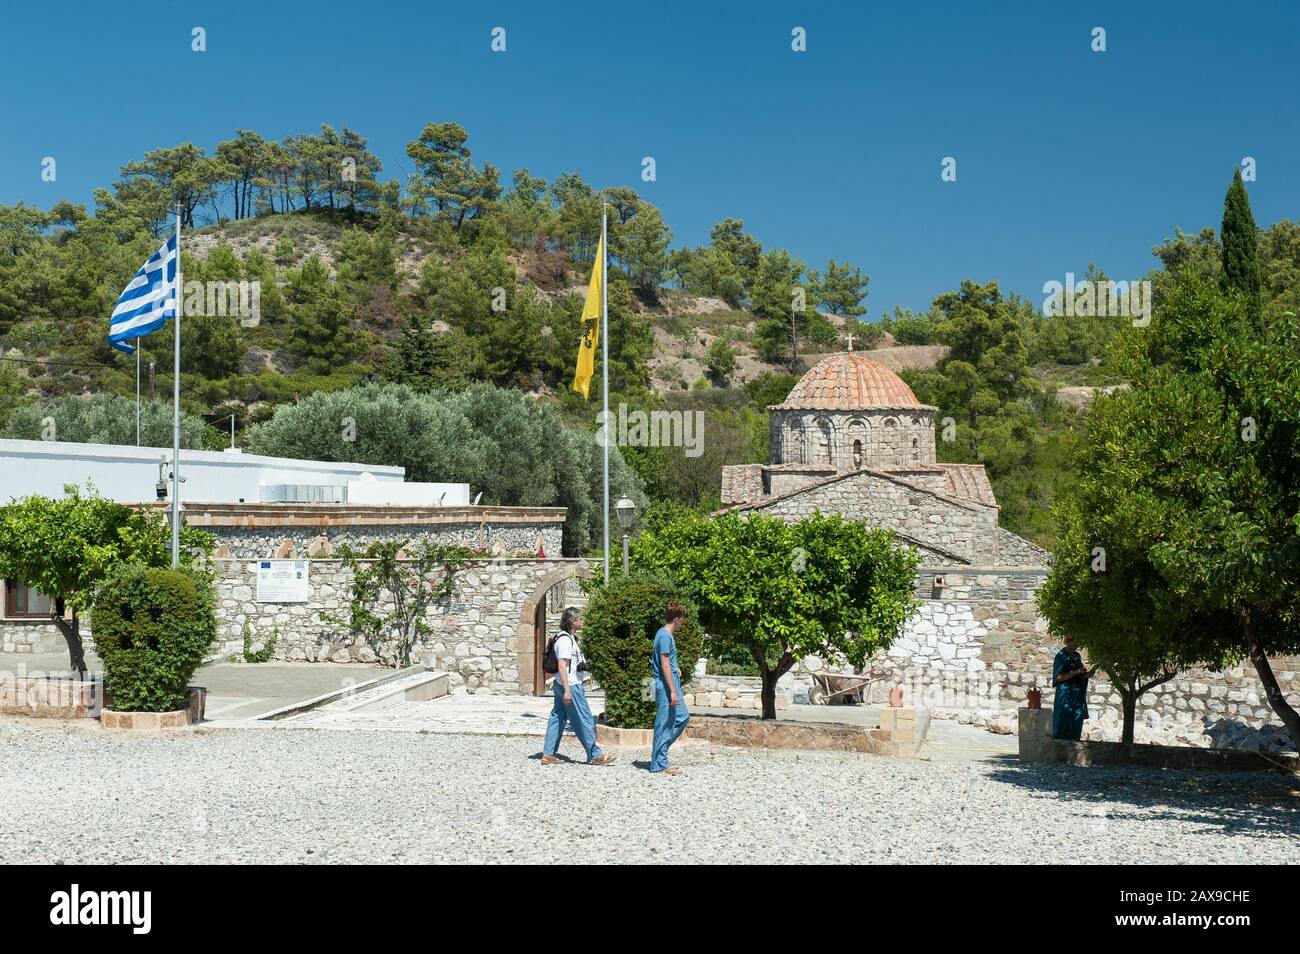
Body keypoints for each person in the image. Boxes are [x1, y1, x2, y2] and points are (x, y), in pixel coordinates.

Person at [541, 607, 616, 766]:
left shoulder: (567, 638)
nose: (582, 621)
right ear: (572, 622)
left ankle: (548, 754)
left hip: (562, 684)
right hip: (570, 686)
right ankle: (595, 755)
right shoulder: (565, 640)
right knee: (585, 719)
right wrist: (568, 690)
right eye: (580, 619)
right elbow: (562, 666)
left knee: (558, 718)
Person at [649, 602, 691, 775]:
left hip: (668, 681)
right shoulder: (665, 636)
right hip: (666, 685)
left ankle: (660, 756)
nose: (683, 621)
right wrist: (673, 690)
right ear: (676, 618)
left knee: (681, 717)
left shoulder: (662, 633)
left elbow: (667, 662)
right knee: (665, 723)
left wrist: (676, 667)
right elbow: (664, 665)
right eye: (682, 618)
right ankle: (659, 762)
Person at [1052, 635, 1094, 740]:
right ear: (1068, 642)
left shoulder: (1077, 656)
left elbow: (1079, 676)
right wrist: (1077, 671)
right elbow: (1058, 677)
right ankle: (1059, 746)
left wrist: (1087, 675)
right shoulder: (1061, 656)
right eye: (1075, 642)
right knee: (1063, 719)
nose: (1077, 645)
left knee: (1076, 719)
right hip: (1065, 693)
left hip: (1077, 693)